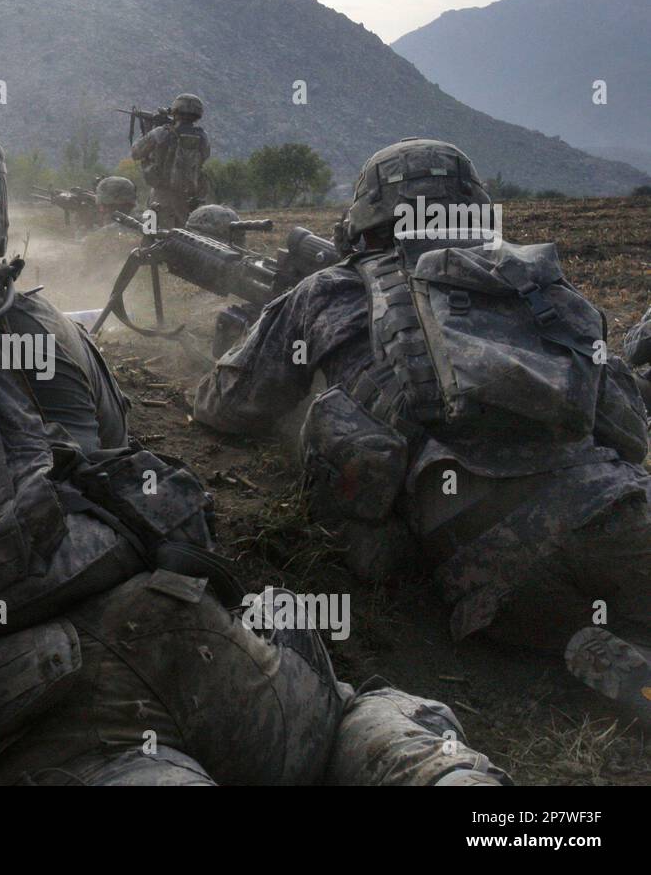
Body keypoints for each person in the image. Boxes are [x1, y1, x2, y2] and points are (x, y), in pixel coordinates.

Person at [0, 112, 508, 785]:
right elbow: (104, 444)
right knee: (340, 722)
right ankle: (441, 776)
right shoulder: (39, 326)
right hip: (185, 638)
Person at [193, 137, 651, 717]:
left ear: (368, 215)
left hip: (492, 567)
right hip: (621, 510)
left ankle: (585, 645)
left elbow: (225, 406)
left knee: (548, 614)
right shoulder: (544, 288)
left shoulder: (330, 288)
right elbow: (630, 435)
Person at [130, 93, 210, 229]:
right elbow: (204, 158)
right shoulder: (203, 137)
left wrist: (149, 129)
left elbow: (136, 152)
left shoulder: (161, 132)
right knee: (184, 239)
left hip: (160, 197)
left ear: (175, 111)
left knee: (151, 236)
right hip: (188, 199)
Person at [78, 175, 140, 252]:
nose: (101, 210)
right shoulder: (144, 222)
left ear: (121, 204)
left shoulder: (113, 231)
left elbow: (83, 247)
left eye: (106, 206)